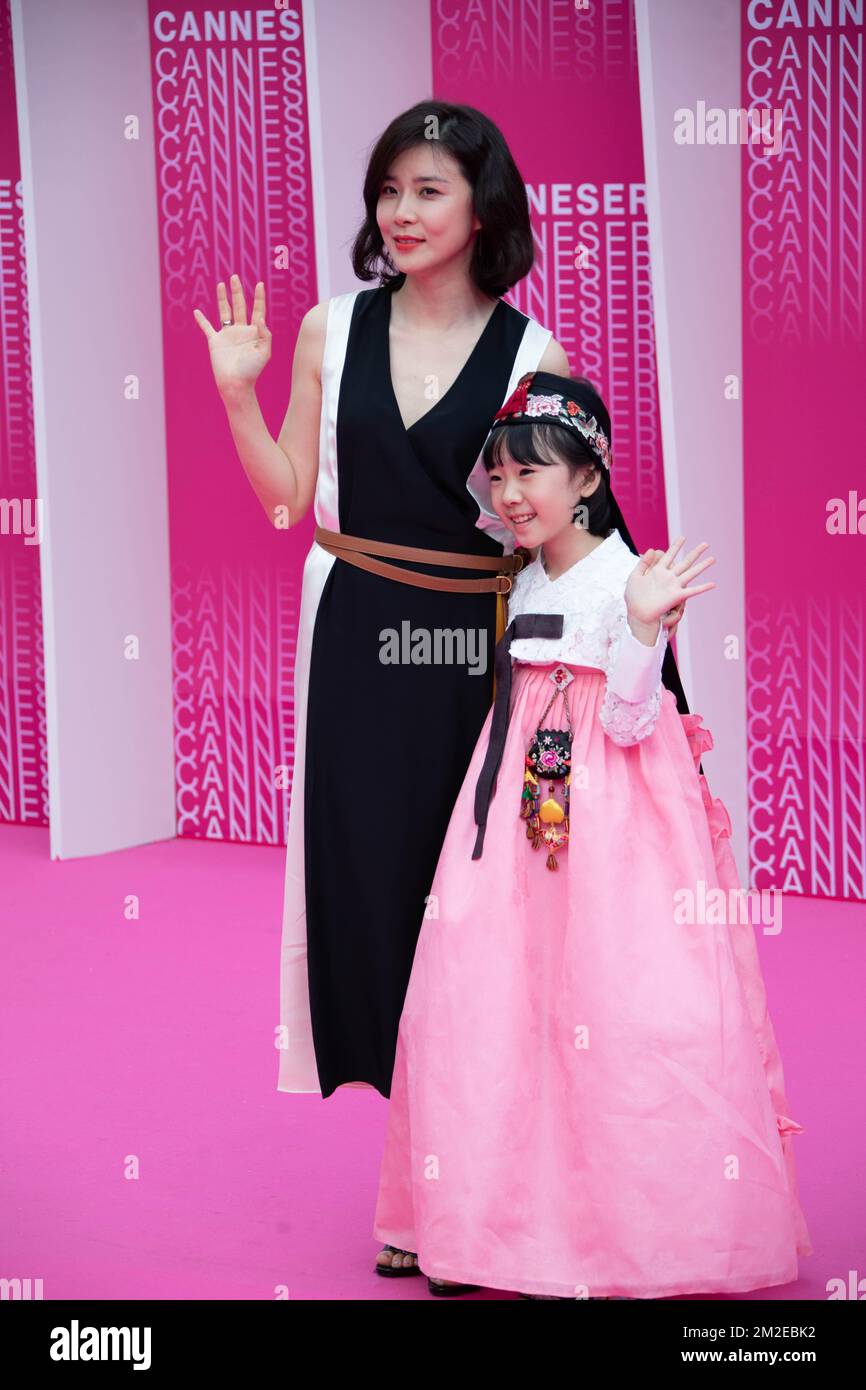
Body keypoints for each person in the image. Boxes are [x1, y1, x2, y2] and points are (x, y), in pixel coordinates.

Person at [194, 102, 687, 1278]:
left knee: (476, 923)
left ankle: (459, 1207)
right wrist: (235, 395)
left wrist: (644, 658)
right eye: (388, 191)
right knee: (371, 906)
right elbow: (281, 503)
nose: (400, 214)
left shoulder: (533, 357)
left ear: (481, 209)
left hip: (479, 643)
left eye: (427, 191)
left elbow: (570, 534)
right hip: (356, 632)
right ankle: (426, 1198)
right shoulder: (329, 326)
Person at [372, 372, 812, 1299]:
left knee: (616, 1008)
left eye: (532, 472)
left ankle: (622, 1234)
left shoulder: (625, 576)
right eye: (499, 475)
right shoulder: (529, 572)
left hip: (613, 831)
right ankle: (474, 1226)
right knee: (479, 999)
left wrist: (644, 629)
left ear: (588, 477)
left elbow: (624, 720)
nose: (511, 494)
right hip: (516, 821)